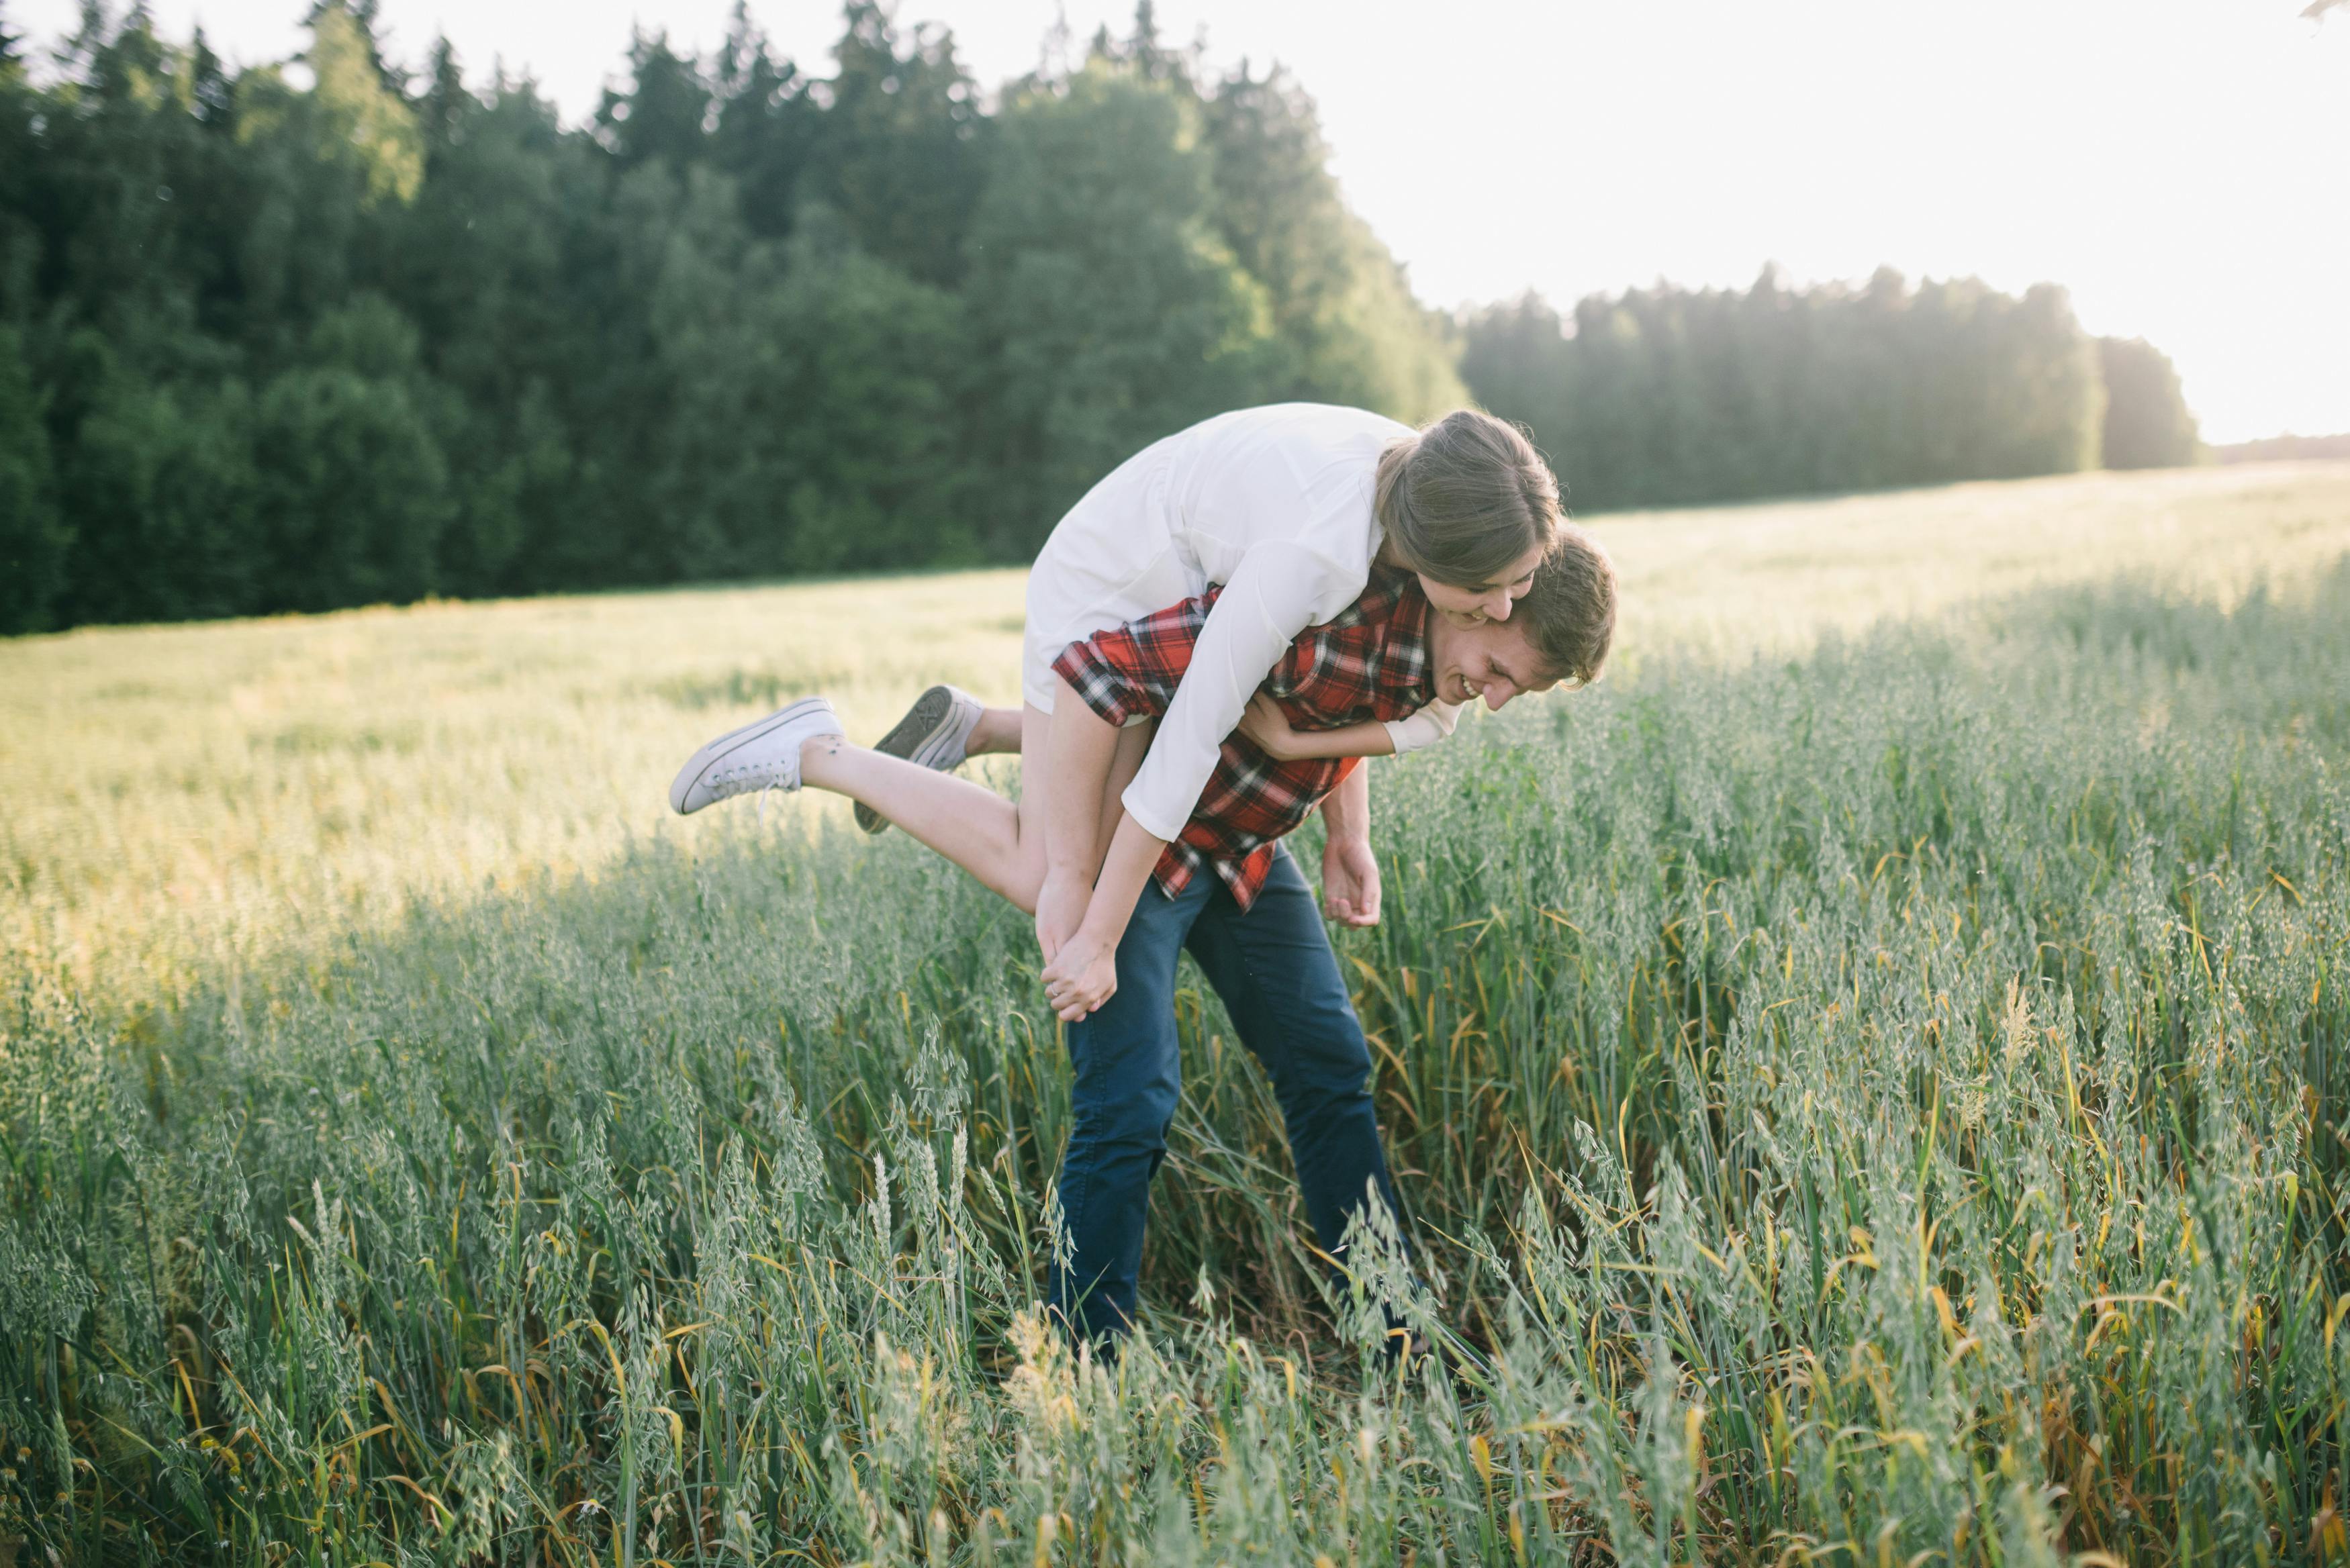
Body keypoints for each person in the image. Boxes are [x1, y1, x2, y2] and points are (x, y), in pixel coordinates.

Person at [670, 548, 1616, 1344]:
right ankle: (1084, 1369)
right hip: (1141, 841)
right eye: (1501, 670)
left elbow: (1339, 729)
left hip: (1243, 852)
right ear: (1488, 595)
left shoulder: (1432, 659)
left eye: (1516, 693)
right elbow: (1110, 673)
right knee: (1129, 1097)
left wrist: (1345, 836)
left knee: (1330, 1064)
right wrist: (1095, 926)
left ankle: (1397, 1334)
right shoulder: (1321, 595)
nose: (1492, 698)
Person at [679, 402, 1568, 1014]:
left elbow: (1353, 689)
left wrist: (1349, 834)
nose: (1505, 607)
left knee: (1104, 816)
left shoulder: (1430, 474)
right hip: (1108, 596)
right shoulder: (1315, 557)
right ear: (1423, 554)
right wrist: (1098, 933)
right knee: (1052, 872)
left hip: (1167, 585)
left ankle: (978, 728)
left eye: (1522, 579)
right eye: (1490, 591)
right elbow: (1190, 746)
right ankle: (816, 752)